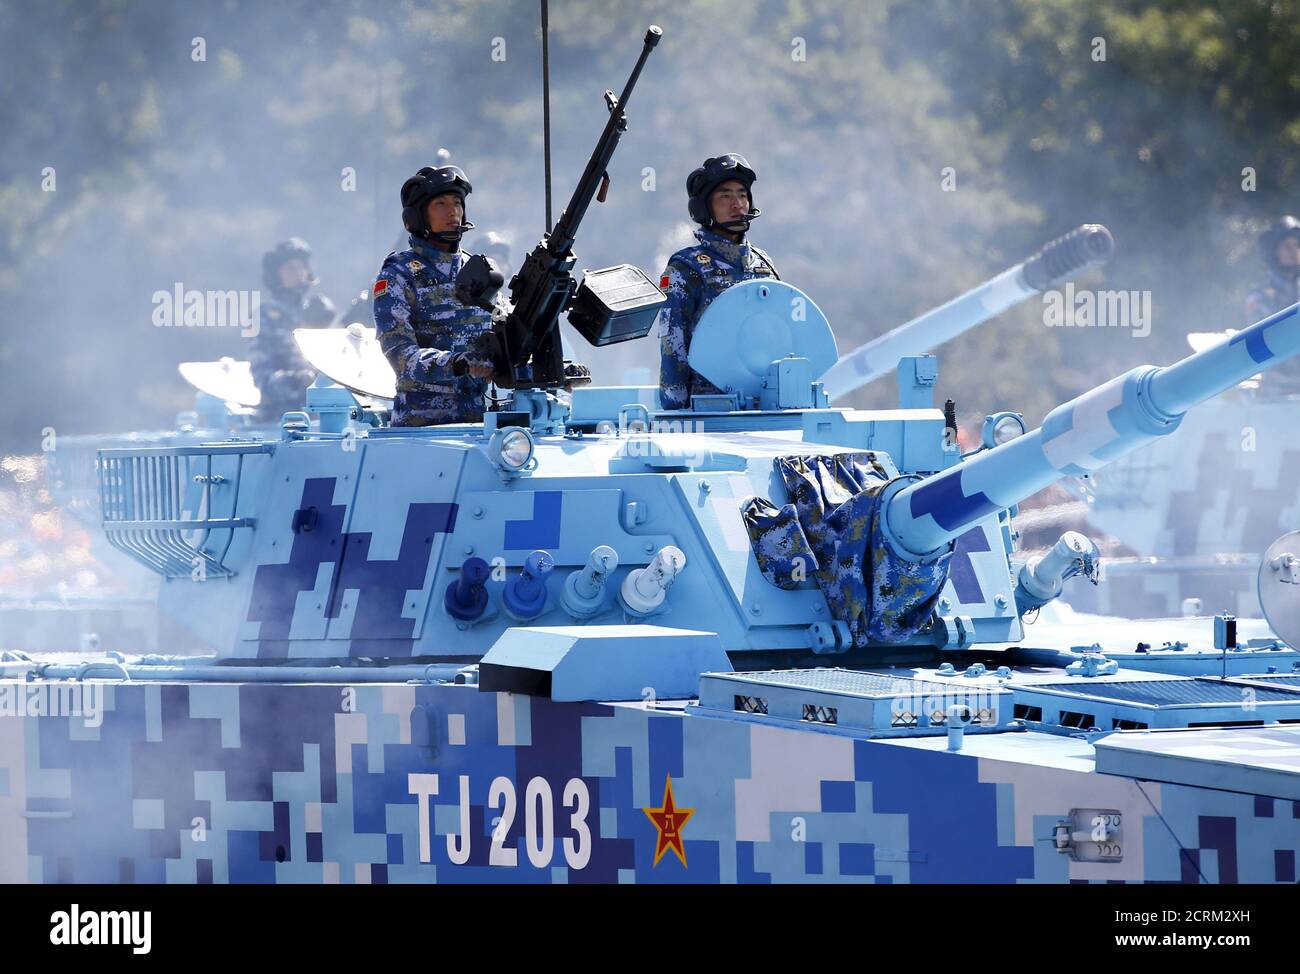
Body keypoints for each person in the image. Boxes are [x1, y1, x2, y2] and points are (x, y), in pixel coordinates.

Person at [372, 165, 500, 425]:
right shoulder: (399, 274)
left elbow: (504, 337)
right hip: (422, 429)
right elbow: (402, 355)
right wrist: (457, 363)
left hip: (481, 425)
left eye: (457, 202)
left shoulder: (479, 272)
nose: (452, 210)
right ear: (418, 217)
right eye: (440, 203)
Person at [657, 153, 779, 410]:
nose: (737, 203)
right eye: (725, 196)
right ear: (704, 206)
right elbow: (672, 341)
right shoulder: (685, 267)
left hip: (765, 408)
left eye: (742, 195)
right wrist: (677, 415)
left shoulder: (763, 265)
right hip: (708, 411)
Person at [250, 237, 334, 421]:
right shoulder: (264, 315)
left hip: (322, 414)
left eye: (300, 267)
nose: (297, 273)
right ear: (276, 274)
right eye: (289, 268)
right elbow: (261, 374)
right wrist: (298, 381)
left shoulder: (318, 310)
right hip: (281, 418)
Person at [1245, 216, 1300, 395]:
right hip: (1276, 391)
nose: (1294, 252)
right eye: (1287, 246)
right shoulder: (1260, 297)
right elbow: (1265, 343)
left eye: (1297, 245)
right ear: (1274, 252)